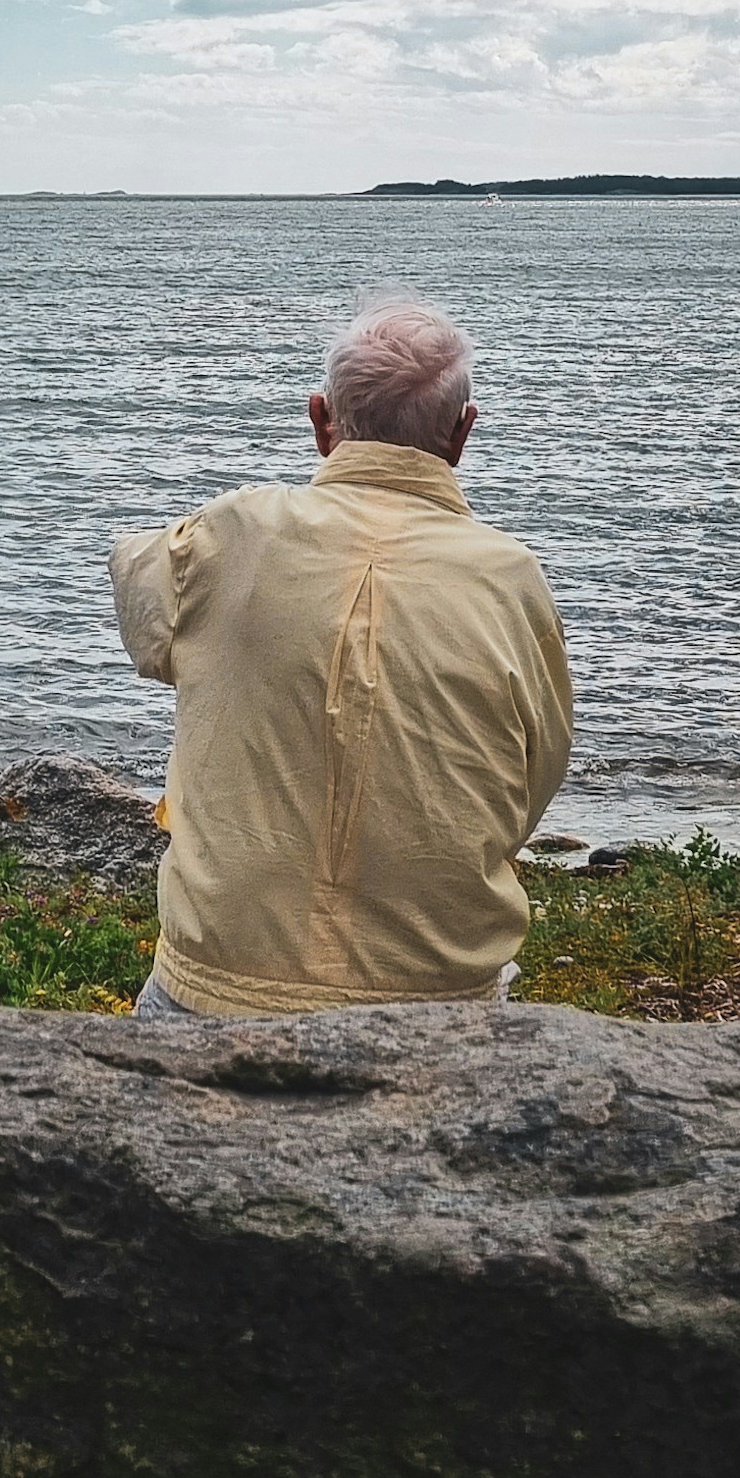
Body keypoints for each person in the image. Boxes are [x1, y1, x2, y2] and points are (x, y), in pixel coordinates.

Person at [113, 298, 575, 1019]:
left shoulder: (232, 534)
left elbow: (135, 590)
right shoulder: (509, 577)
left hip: (221, 984)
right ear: (462, 432)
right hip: (435, 994)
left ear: (321, 420)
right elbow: (536, 773)